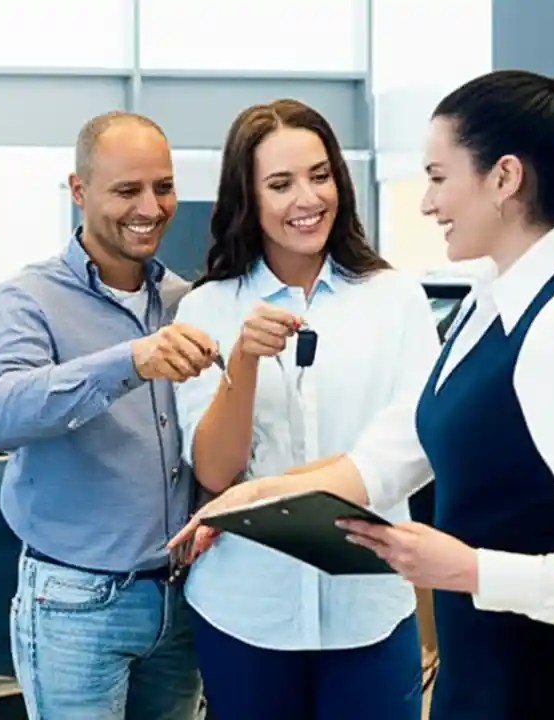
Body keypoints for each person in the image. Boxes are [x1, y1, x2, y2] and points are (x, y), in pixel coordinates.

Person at [170, 67, 554, 720]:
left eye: (437, 178)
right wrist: (247, 500)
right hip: (482, 674)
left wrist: (465, 567)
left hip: (547, 679)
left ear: (505, 178)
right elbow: (387, 458)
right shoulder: (482, 306)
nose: (427, 204)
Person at [169, 99, 437, 720]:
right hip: (246, 610)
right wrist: (243, 362)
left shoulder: (394, 298)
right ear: (248, 197)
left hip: (370, 606)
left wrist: (292, 490)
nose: (306, 199)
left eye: (319, 176)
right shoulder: (208, 307)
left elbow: (417, 443)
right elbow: (214, 471)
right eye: (280, 184)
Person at [0, 110, 212, 719]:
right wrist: (131, 359)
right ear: (79, 191)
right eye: (127, 190)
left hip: (180, 600)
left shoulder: (189, 302)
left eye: (163, 187)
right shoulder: (27, 299)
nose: (151, 207)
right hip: (75, 603)